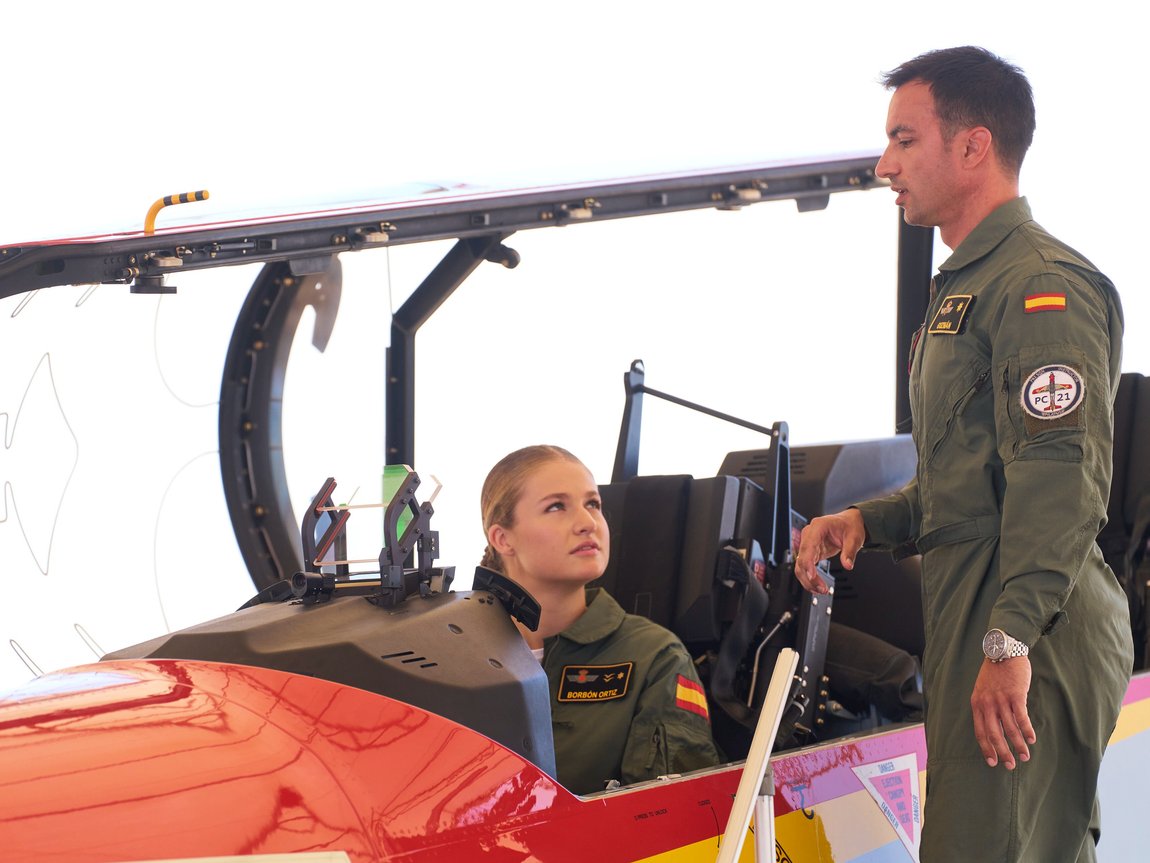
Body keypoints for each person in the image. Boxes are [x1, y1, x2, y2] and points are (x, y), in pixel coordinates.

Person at [794, 47, 1132, 861]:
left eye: (905, 140)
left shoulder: (1038, 287)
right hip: (986, 622)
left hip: (1028, 631)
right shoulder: (967, 288)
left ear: (973, 146)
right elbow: (967, 480)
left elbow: (1058, 481)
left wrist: (1010, 641)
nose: (885, 165)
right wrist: (865, 521)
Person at [480, 444, 723, 794]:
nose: (587, 523)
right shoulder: (451, 657)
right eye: (556, 506)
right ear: (503, 538)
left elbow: (678, 820)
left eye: (593, 504)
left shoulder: (654, 657)